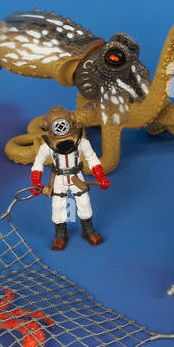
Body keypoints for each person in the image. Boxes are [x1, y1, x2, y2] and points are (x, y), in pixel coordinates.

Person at [29, 105, 110, 249]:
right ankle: (60, 234)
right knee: (57, 205)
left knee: (84, 202)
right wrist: (36, 182)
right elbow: (38, 163)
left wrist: (101, 176)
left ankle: (88, 230)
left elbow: (92, 158)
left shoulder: (82, 142)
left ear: (71, 121)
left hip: (77, 176)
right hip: (59, 179)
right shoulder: (47, 146)